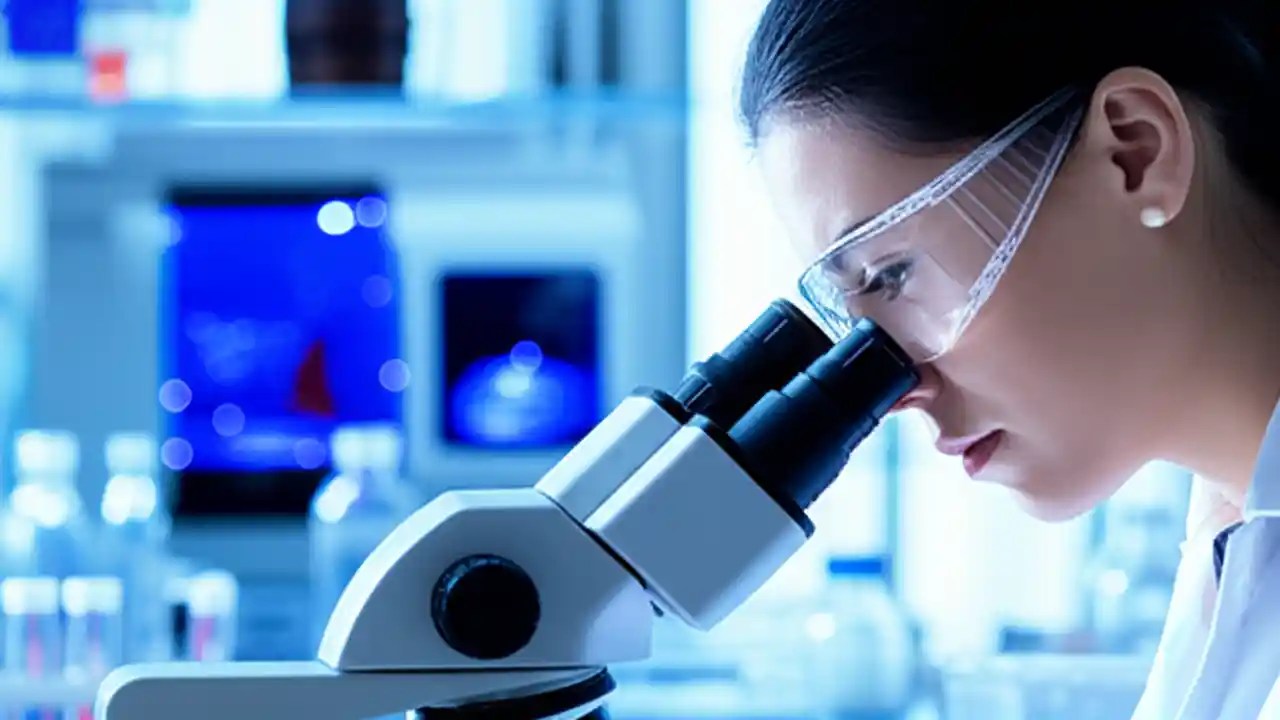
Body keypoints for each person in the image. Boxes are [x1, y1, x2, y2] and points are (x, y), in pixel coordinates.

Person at [738, 1, 1280, 718]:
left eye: (894, 273)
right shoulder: (1235, 547)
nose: (893, 387)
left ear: (1136, 151)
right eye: (850, 315)